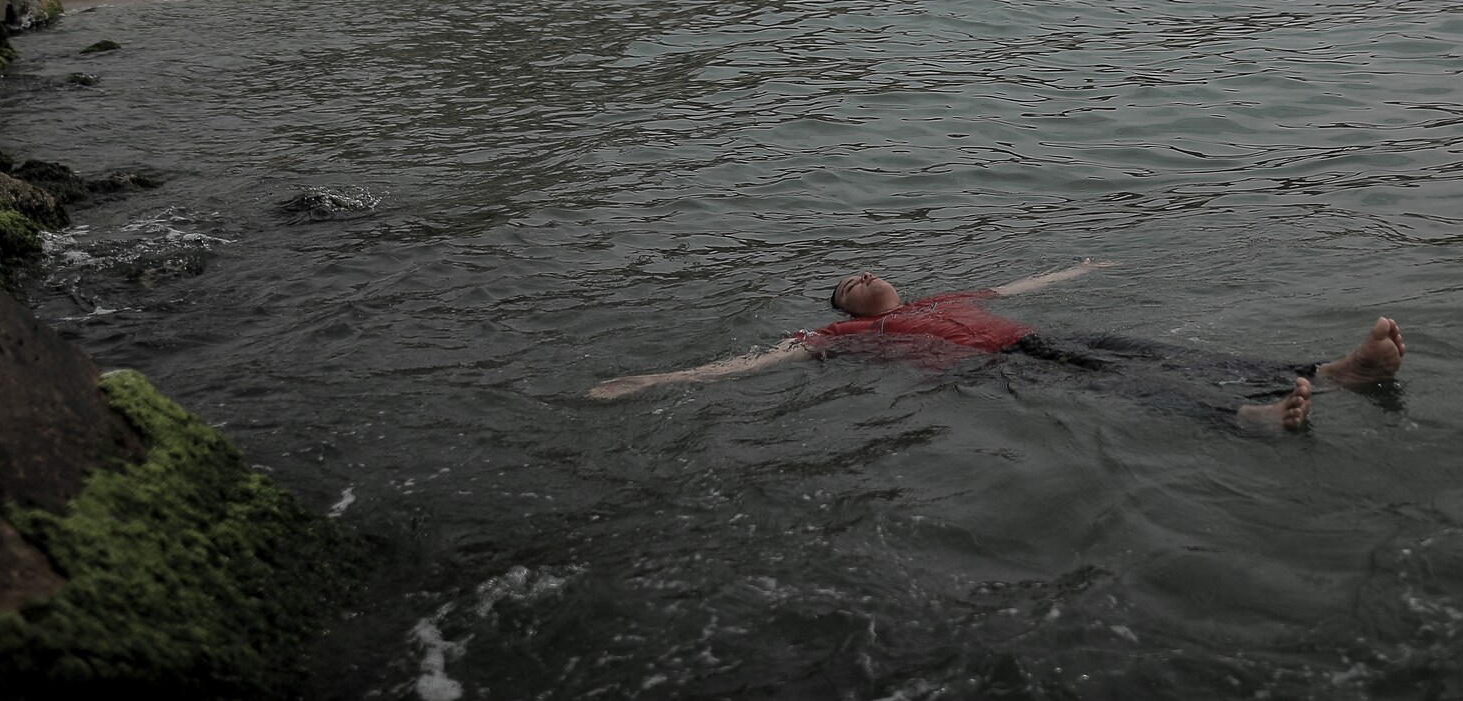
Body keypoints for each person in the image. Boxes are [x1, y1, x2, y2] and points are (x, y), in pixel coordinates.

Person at [585, 260, 1406, 433]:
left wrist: (1083, 265)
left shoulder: (947, 297)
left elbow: (1018, 291)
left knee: (1159, 349)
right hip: (999, 366)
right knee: (1125, 386)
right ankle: (1256, 416)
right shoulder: (834, 335)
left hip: (1039, 334)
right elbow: (751, 363)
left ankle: (1336, 372)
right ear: (845, 308)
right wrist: (659, 377)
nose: (860, 278)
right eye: (845, 282)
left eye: (867, 269)